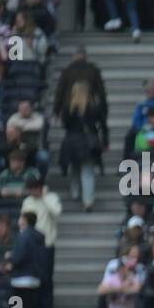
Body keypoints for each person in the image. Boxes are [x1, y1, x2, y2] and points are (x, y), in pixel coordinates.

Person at [56, 67, 106, 212]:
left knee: (75, 168)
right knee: (88, 171)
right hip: (88, 140)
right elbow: (101, 123)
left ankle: (75, 192)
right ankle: (88, 201)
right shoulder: (94, 106)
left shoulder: (68, 108)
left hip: (72, 140)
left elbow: (65, 124)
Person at [19, 174, 59, 308]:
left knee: (47, 277)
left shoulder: (51, 198)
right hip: (31, 246)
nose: (33, 191)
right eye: (31, 189)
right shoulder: (27, 202)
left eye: (36, 188)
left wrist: (44, 198)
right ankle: (35, 307)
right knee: (33, 278)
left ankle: (47, 307)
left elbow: (57, 213)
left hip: (47, 244)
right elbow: (23, 222)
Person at [9, 209, 43, 308]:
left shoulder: (25, 236)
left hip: (22, 279)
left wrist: (11, 259)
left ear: (25, 220)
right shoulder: (38, 236)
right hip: (33, 278)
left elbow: (18, 257)